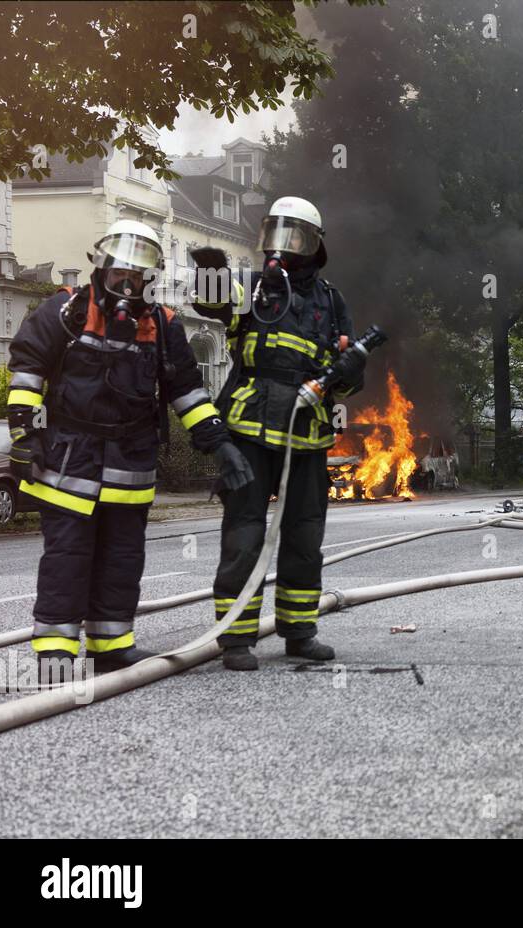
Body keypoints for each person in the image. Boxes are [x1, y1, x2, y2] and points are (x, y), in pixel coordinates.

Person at [7, 220, 250, 682]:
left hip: (130, 465)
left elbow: (187, 393)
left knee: (122, 558)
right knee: (67, 557)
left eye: (136, 275)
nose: (126, 281)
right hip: (68, 460)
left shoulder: (162, 325)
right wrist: (25, 433)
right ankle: (55, 652)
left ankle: (112, 645)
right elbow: (28, 370)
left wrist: (219, 443)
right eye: (120, 270)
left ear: (150, 279)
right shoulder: (65, 311)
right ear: (103, 265)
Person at [192, 196, 365, 671]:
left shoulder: (332, 301)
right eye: (277, 235)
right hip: (249, 432)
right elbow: (211, 305)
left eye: (295, 237)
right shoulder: (251, 287)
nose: (283, 248)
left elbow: (347, 382)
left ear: (314, 246)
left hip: (308, 439)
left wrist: (353, 369)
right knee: (245, 536)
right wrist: (209, 272)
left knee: (305, 538)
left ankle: (299, 631)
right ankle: (236, 641)